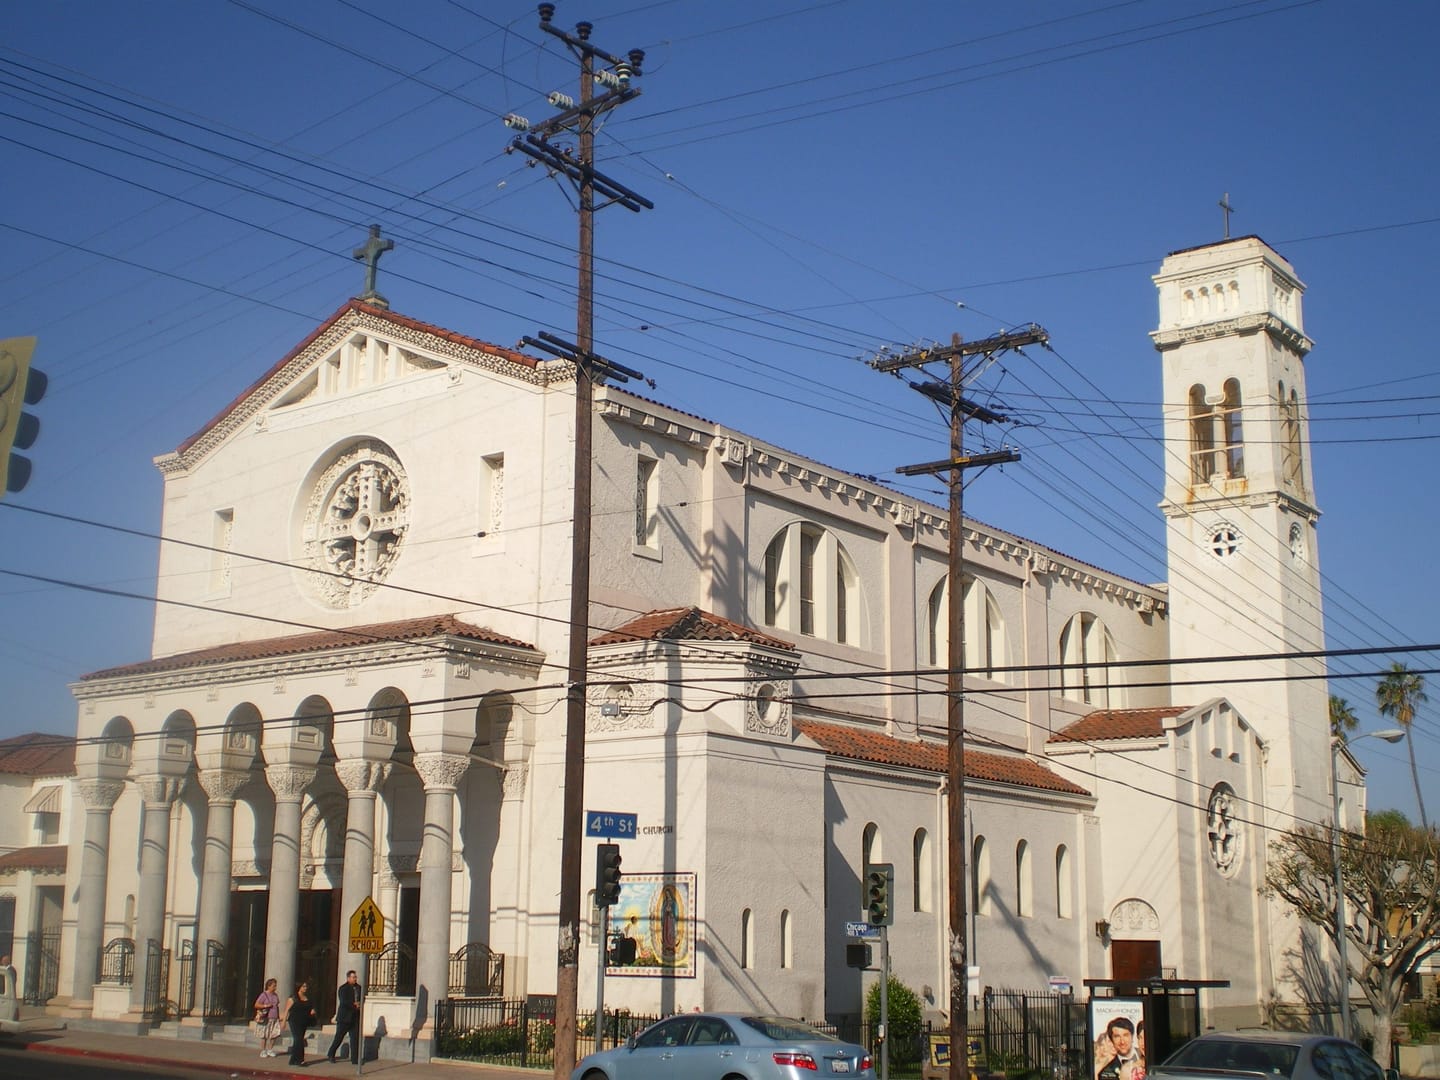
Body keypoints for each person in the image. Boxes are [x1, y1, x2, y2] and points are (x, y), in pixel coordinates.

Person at [327, 969, 363, 1064]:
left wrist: (359, 1004)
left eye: (355, 977)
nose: (355, 979)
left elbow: (362, 998)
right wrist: (354, 1004)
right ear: (348, 978)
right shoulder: (343, 988)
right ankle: (331, 1053)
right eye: (353, 977)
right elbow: (343, 1001)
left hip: (355, 1017)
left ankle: (355, 1059)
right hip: (344, 1018)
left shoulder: (359, 987)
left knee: (355, 1038)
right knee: (339, 1037)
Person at [284, 980, 317, 1066]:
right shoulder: (293, 997)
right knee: (299, 1040)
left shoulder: (307, 998)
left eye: (306, 986)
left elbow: (311, 1008)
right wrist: (283, 1022)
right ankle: (300, 1060)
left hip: (304, 1021)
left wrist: (312, 1011)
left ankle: (292, 1060)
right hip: (294, 1021)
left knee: (298, 1040)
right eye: (303, 986)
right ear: (299, 987)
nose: (305, 988)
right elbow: (287, 1010)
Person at [253, 977, 282, 1058]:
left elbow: (277, 1006)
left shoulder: (275, 995)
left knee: (274, 1034)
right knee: (264, 1035)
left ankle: (270, 1049)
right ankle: (263, 1050)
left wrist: (279, 1017)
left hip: (274, 1018)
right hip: (266, 1018)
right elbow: (256, 1004)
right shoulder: (264, 995)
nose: (275, 988)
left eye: (275, 986)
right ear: (268, 986)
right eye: (273, 986)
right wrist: (265, 1005)